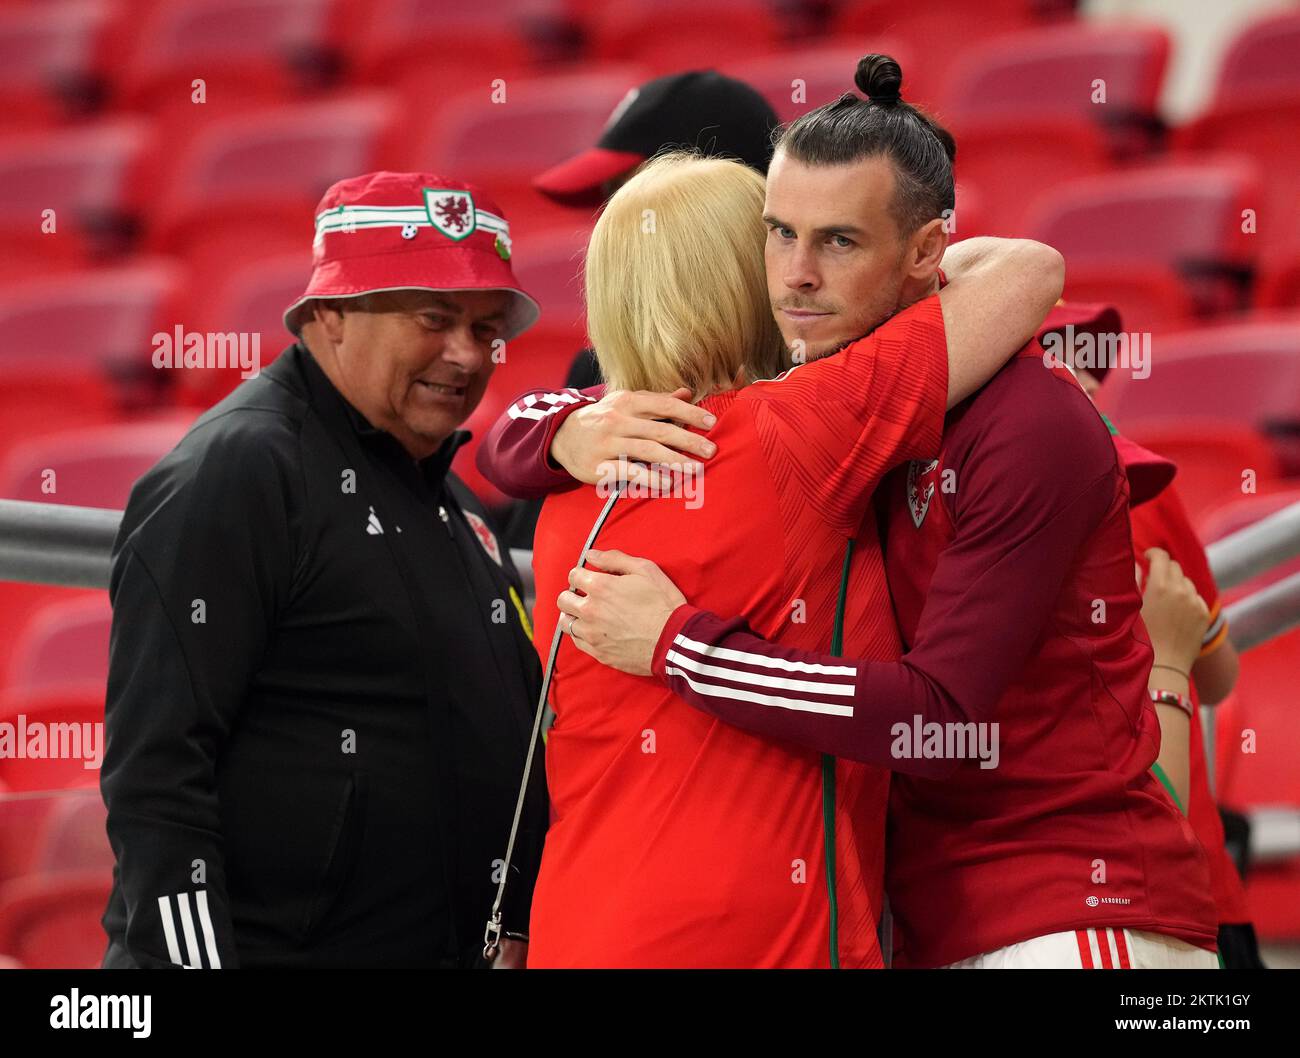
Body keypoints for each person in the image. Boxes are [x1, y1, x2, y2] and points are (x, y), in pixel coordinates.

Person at [481, 59, 1220, 969]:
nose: (795, 276)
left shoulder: (1013, 418)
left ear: (923, 253)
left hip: (1068, 910)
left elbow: (942, 717)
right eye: (778, 235)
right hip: (921, 914)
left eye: (838, 242)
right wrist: (560, 425)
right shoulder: (746, 421)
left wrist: (680, 644)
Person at [100, 171, 548, 969]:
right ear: (330, 314)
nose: (468, 355)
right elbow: (157, 775)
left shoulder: (452, 504)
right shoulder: (238, 470)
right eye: (435, 318)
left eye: (485, 329)